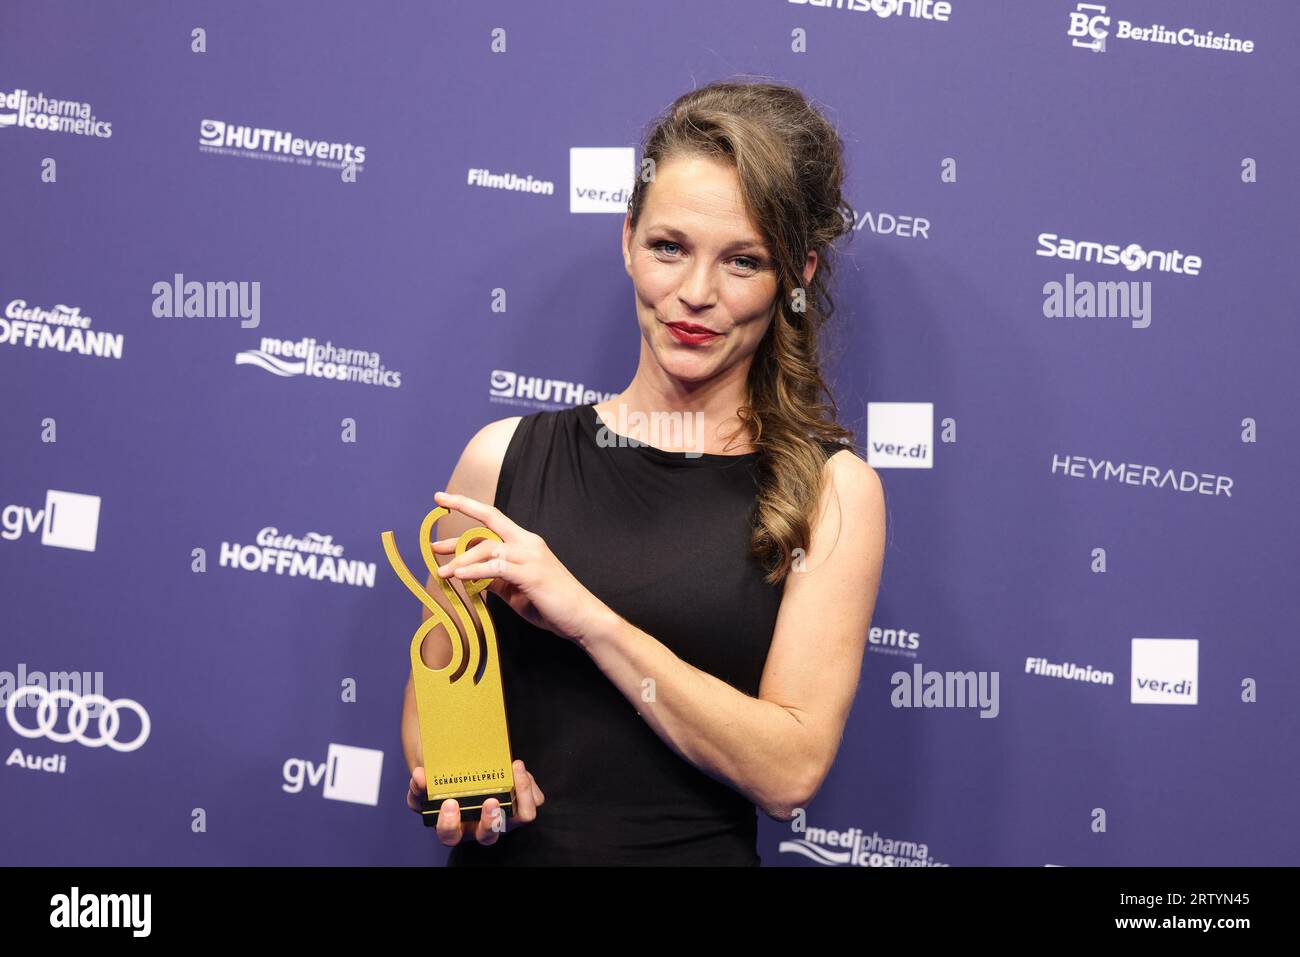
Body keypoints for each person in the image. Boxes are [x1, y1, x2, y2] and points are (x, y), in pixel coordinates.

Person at [400, 78, 886, 865]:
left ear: (794, 275)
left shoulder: (832, 494)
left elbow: (791, 769)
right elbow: (432, 711)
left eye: (743, 260)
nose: (695, 294)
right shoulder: (501, 459)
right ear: (628, 239)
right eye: (670, 247)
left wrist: (586, 615)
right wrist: (462, 785)